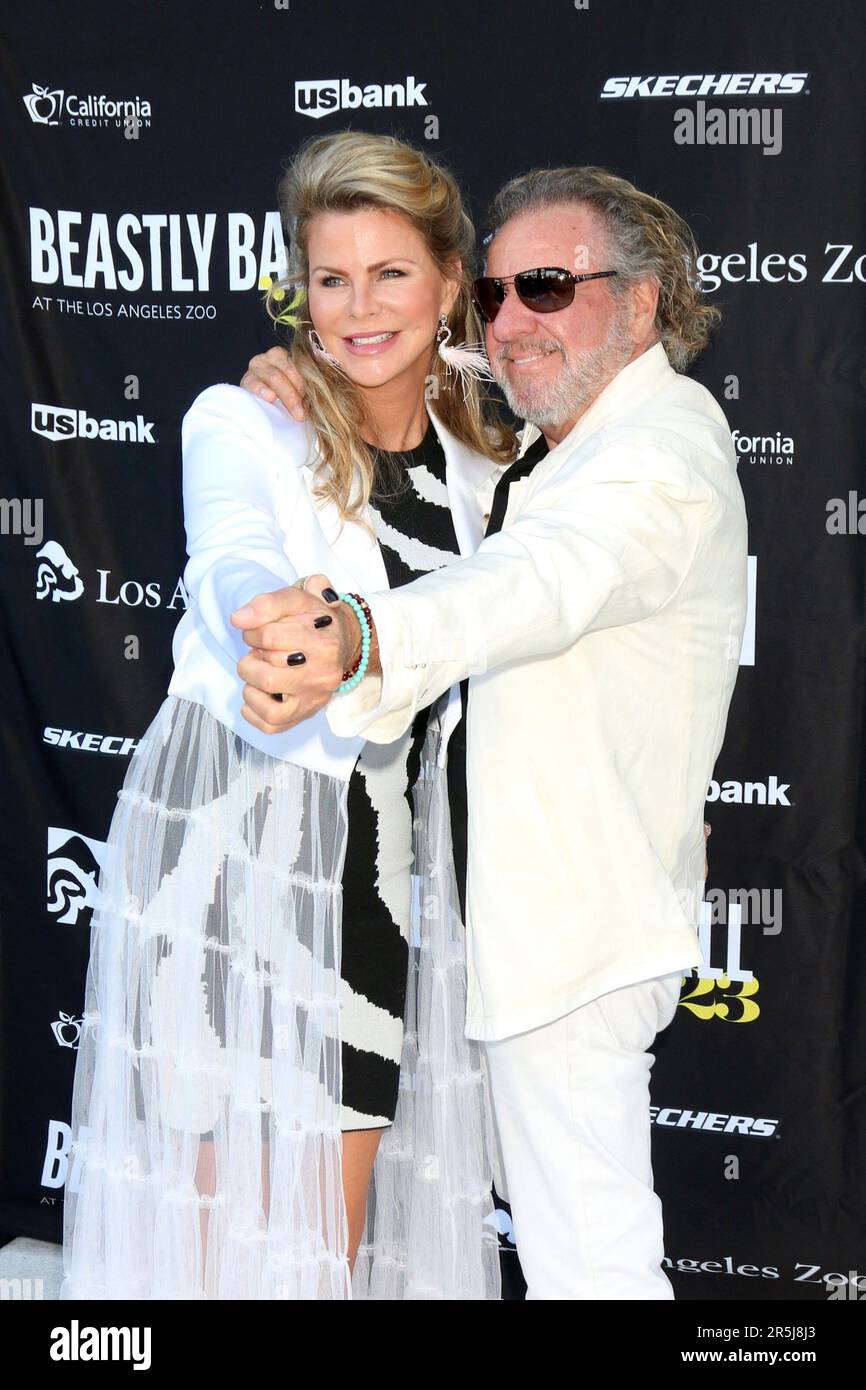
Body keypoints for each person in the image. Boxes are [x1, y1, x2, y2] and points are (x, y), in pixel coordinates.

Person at [231, 165, 749, 1299]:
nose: (512, 323)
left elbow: (532, 585)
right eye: (500, 293)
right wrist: (305, 361)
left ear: (645, 301)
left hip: (573, 936)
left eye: (550, 288)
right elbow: (425, 362)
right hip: (512, 926)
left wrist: (360, 640)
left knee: (590, 1264)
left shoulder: (655, 458)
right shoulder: (569, 426)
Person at [59, 130, 515, 1301]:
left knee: (329, 1237)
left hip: (372, 863)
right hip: (222, 841)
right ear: (300, 293)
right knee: (215, 1243)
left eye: (390, 273)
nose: (360, 308)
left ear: (450, 282)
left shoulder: (497, 452)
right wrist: (263, 613)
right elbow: (230, 552)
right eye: (330, 278)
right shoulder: (246, 417)